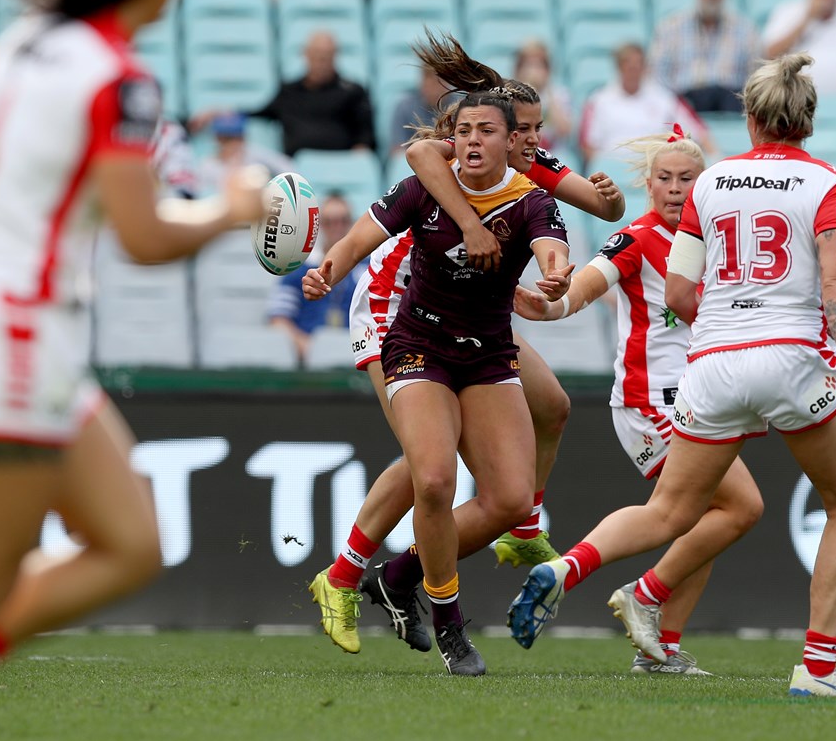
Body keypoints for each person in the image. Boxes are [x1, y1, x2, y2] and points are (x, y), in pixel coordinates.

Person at [0, 0, 266, 741]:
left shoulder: (30, 41)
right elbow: (148, 235)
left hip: (8, 326)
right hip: (14, 336)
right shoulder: (120, 81)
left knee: (131, 544)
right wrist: (229, 210)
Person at [509, 53, 836, 698]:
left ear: (752, 117)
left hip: (709, 365)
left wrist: (731, 324)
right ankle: (817, 668)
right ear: (808, 121)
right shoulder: (830, 184)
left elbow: (680, 291)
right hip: (792, 358)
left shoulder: (714, 187)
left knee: (673, 511)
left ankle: (581, 572)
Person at [309, 32, 623, 658]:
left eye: (534, 129)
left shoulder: (531, 172)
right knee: (430, 457)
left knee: (553, 405)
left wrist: (610, 200)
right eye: (524, 128)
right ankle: (343, 577)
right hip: (394, 300)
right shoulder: (448, 161)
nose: (535, 139)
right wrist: (471, 223)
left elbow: (595, 211)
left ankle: (515, 524)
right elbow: (425, 156)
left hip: (478, 317)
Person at [513, 126, 763, 674]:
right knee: (736, 507)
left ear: (705, 186)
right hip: (654, 401)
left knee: (699, 521)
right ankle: (624, 588)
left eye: (687, 179)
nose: (675, 188)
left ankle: (661, 647)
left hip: (701, 397)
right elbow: (590, 283)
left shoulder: (716, 240)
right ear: (649, 187)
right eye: (665, 179)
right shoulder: (638, 237)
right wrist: (552, 306)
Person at [199, 31, 374, 158]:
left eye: (326, 56)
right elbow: (262, 112)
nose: (321, 62)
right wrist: (224, 112)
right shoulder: (289, 92)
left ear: (335, 56)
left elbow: (365, 136)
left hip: (341, 164)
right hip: (294, 170)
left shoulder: (353, 91)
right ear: (305, 55)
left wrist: (358, 158)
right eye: (317, 56)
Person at [649, 0, 759, 114]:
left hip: (731, 106)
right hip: (684, 106)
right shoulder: (670, 28)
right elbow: (657, 77)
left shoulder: (746, 31)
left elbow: (755, 78)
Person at [579, 43, 717, 167]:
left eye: (638, 65)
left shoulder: (665, 98)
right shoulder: (598, 101)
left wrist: (716, 160)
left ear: (645, 68)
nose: (633, 71)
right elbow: (588, 146)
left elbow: (698, 131)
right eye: (628, 66)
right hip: (612, 172)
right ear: (619, 67)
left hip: (654, 169)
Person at [267, 193, 363, 365]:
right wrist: (307, 347)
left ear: (352, 223)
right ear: (319, 226)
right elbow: (279, 319)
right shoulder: (298, 268)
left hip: (358, 355)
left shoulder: (369, 268)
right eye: (329, 222)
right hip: (308, 360)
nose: (337, 227)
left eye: (343, 220)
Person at [196, 112, 296, 197]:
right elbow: (203, 196)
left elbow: (287, 168)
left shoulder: (255, 153)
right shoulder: (208, 164)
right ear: (217, 139)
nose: (233, 143)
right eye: (226, 139)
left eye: (237, 137)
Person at [513, 40, 572, 151]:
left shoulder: (559, 94)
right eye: (528, 65)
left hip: (552, 152)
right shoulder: (508, 94)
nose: (534, 71)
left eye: (539, 66)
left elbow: (564, 130)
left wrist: (550, 96)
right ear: (518, 69)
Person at [386, 66, 457, 156]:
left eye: (438, 83)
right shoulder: (404, 107)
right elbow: (397, 149)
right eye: (430, 83)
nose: (434, 90)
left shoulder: (461, 106)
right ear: (422, 82)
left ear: (448, 83)